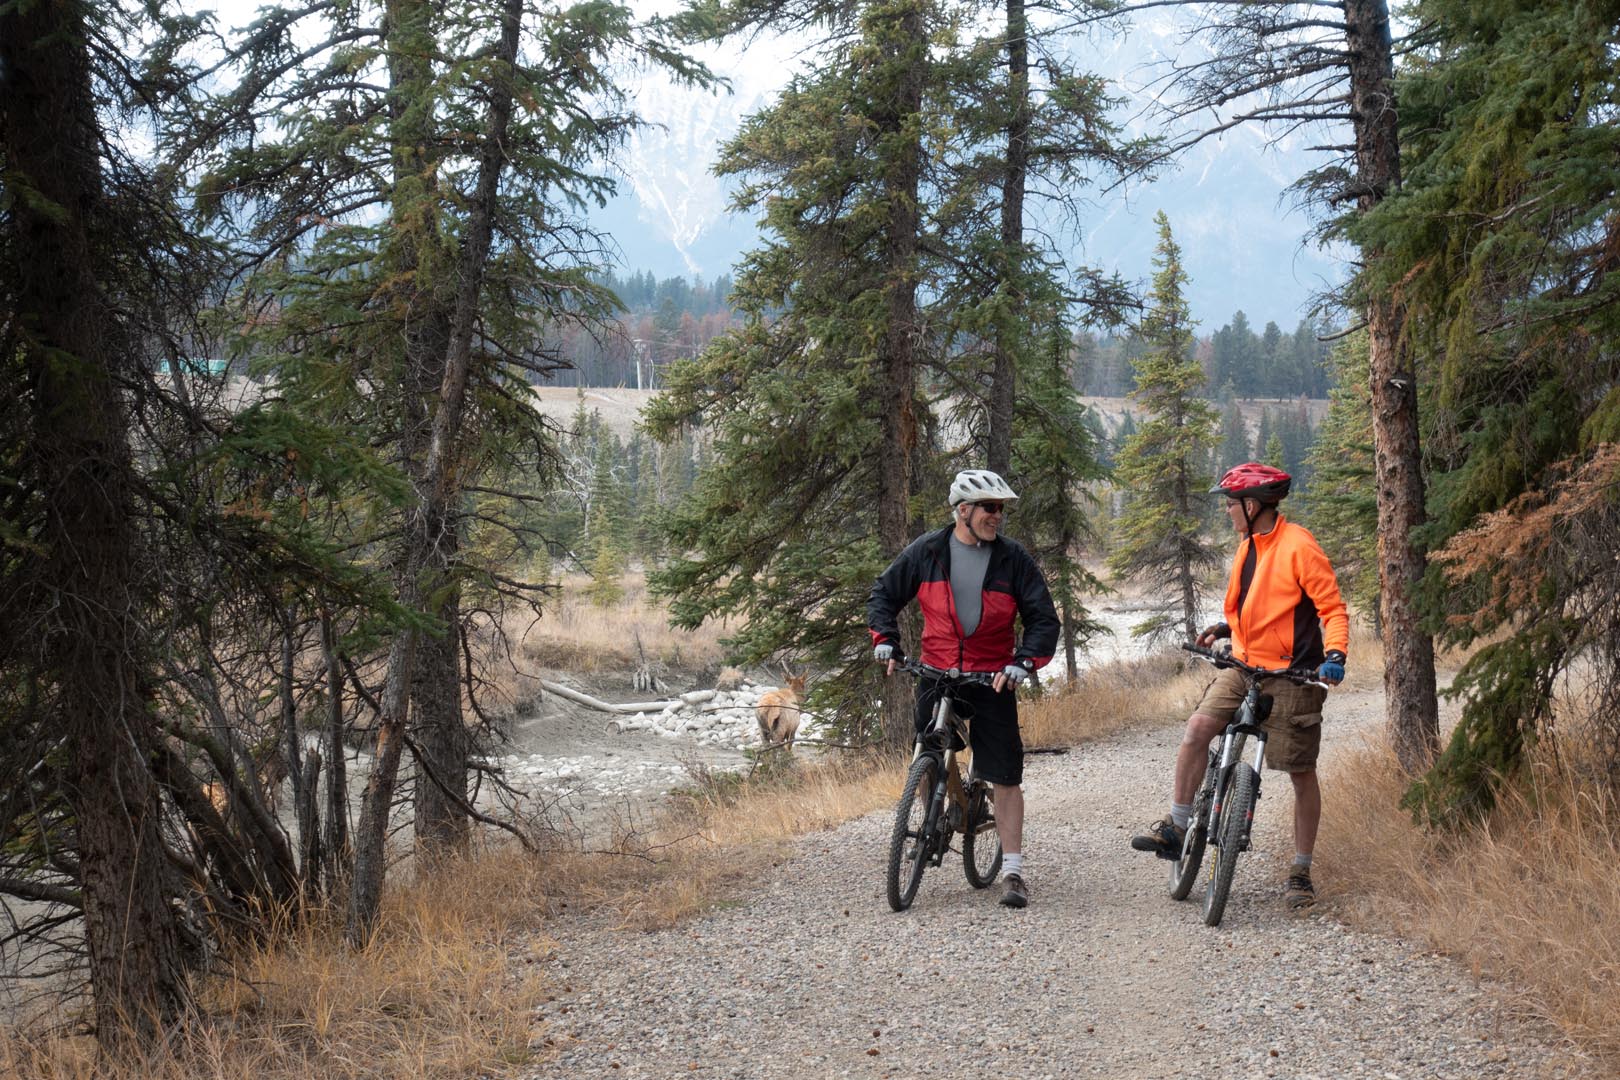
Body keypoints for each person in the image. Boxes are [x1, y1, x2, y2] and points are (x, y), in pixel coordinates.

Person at [1130, 462, 1348, 912]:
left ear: (1252, 505)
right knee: (1197, 730)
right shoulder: (1248, 546)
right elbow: (1258, 607)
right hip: (1244, 666)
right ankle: (1177, 826)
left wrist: (1336, 656)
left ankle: (1301, 871)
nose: (1226, 511)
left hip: (1293, 673)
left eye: (1231, 504)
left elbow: (1331, 609)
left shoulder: (1299, 546)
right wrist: (1224, 628)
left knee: (1300, 771)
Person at [868, 469, 1060, 909]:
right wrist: (886, 641)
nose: (997, 516)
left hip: (992, 677)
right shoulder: (928, 551)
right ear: (963, 511)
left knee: (1005, 775)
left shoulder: (1013, 559)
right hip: (936, 671)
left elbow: (1043, 619)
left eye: (1000, 509)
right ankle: (932, 817)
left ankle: (1013, 872)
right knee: (926, 752)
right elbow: (883, 594)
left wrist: (1022, 662)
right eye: (990, 508)